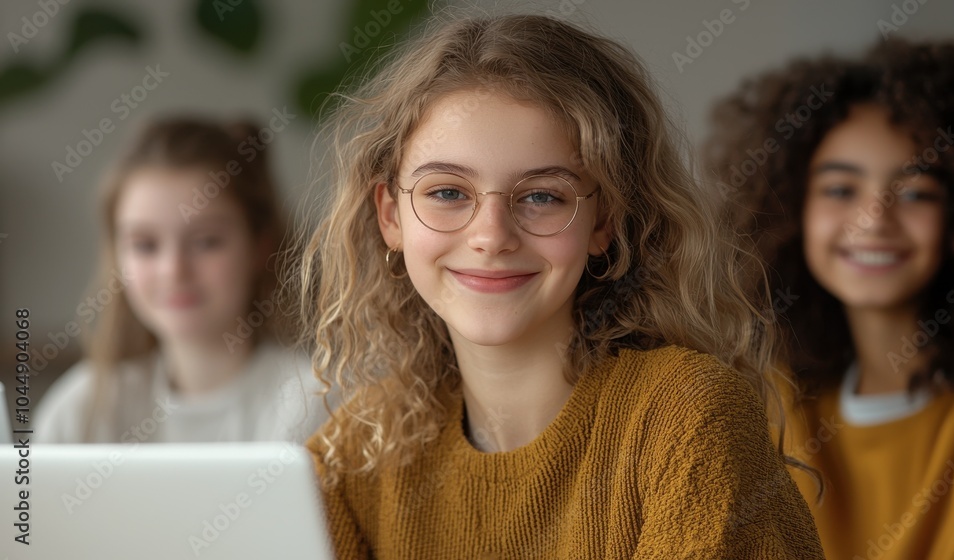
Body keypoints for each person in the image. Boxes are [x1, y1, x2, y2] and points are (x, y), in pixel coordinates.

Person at [297, 13, 823, 558]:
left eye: (543, 196)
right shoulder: (352, 457)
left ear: (604, 221)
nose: (491, 237)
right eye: (448, 192)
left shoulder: (687, 418)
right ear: (391, 216)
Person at [704, 38, 954, 559]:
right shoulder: (772, 397)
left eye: (915, 193)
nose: (873, 221)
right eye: (841, 190)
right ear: (790, 209)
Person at [36, 117, 331, 444]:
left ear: (259, 246)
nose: (174, 270)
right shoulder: (81, 410)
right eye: (145, 245)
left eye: (206, 241)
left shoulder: (319, 405)